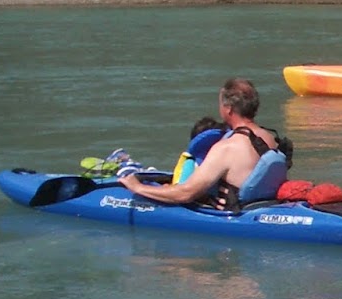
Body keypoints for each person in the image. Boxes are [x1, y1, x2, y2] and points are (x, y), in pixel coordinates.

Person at [119, 78, 293, 210]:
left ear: (229, 109)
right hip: (264, 206)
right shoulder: (271, 138)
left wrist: (138, 187)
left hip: (233, 217)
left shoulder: (227, 147)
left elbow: (186, 193)